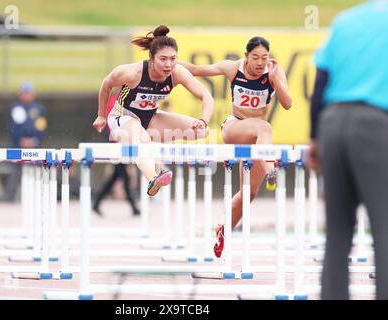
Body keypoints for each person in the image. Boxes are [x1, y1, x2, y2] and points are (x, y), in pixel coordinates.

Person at [180, 36, 292, 258]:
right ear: (246, 56)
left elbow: (287, 103)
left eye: (264, 58)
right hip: (233, 128)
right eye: (255, 58)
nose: (260, 63)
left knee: (248, 194)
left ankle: (224, 230)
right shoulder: (233, 68)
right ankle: (272, 172)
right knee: (265, 127)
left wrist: (274, 79)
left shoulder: (274, 71)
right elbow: (196, 69)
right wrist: (167, 63)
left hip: (256, 143)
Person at [307, 1, 388, 300]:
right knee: (384, 230)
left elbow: (321, 81)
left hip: (333, 123)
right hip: (377, 126)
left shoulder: (346, 21)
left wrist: (315, 137)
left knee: (338, 235)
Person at [93, 25, 214, 197]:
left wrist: (203, 120)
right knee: (142, 138)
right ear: (151, 58)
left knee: (202, 131)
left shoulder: (177, 72)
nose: (168, 64)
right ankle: (153, 177)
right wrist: (101, 115)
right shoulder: (132, 73)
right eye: (163, 59)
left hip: (150, 119)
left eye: (173, 59)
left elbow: (206, 95)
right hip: (122, 118)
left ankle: (157, 162)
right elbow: (106, 84)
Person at [93, 91, 141, 216]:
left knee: (117, 176)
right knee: (123, 176)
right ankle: (134, 207)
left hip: (121, 142)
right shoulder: (116, 100)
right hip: (117, 142)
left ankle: (97, 202)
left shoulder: (121, 99)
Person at [6, 81, 47, 201]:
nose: (26, 95)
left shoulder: (39, 108)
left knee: (37, 174)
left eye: (28, 93)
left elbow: (41, 126)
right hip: (17, 147)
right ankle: (9, 199)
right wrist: (21, 140)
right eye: (24, 93)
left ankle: (37, 198)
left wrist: (33, 140)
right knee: (15, 174)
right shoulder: (15, 108)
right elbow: (12, 127)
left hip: (34, 147)